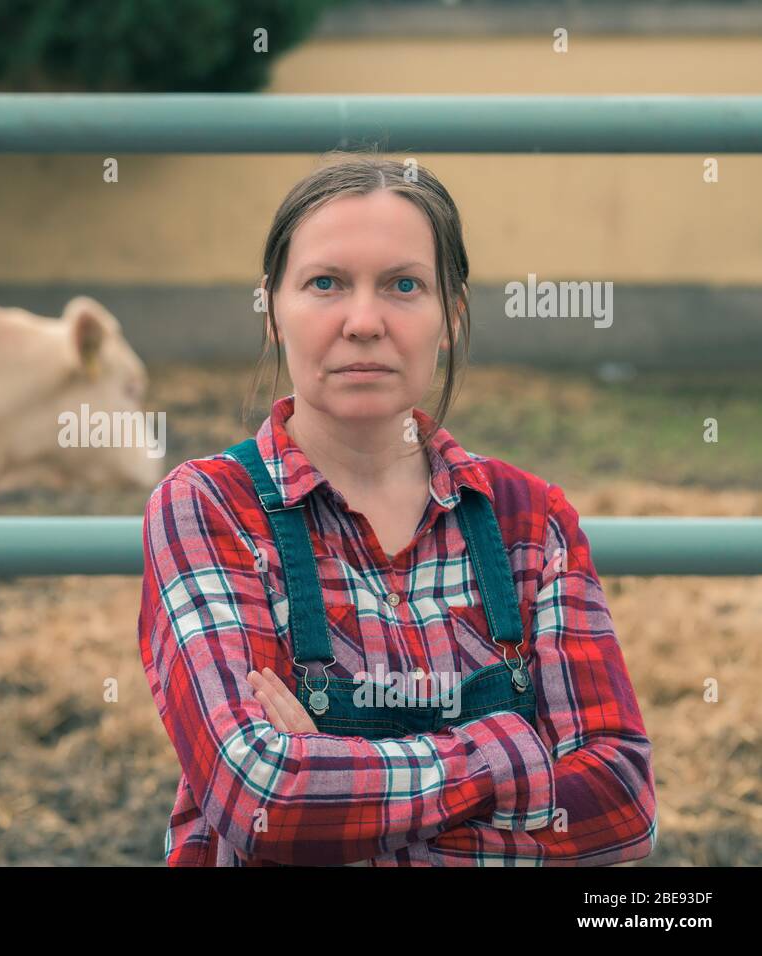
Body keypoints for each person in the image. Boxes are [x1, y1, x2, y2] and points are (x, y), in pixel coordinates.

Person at [136, 154, 657, 866]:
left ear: (452, 316)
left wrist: (331, 772)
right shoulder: (209, 509)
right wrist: (512, 751)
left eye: (403, 285)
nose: (363, 321)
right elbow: (264, 798)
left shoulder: (531, 522)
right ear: (272, 311)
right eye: (325, 283)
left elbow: (623, 806)